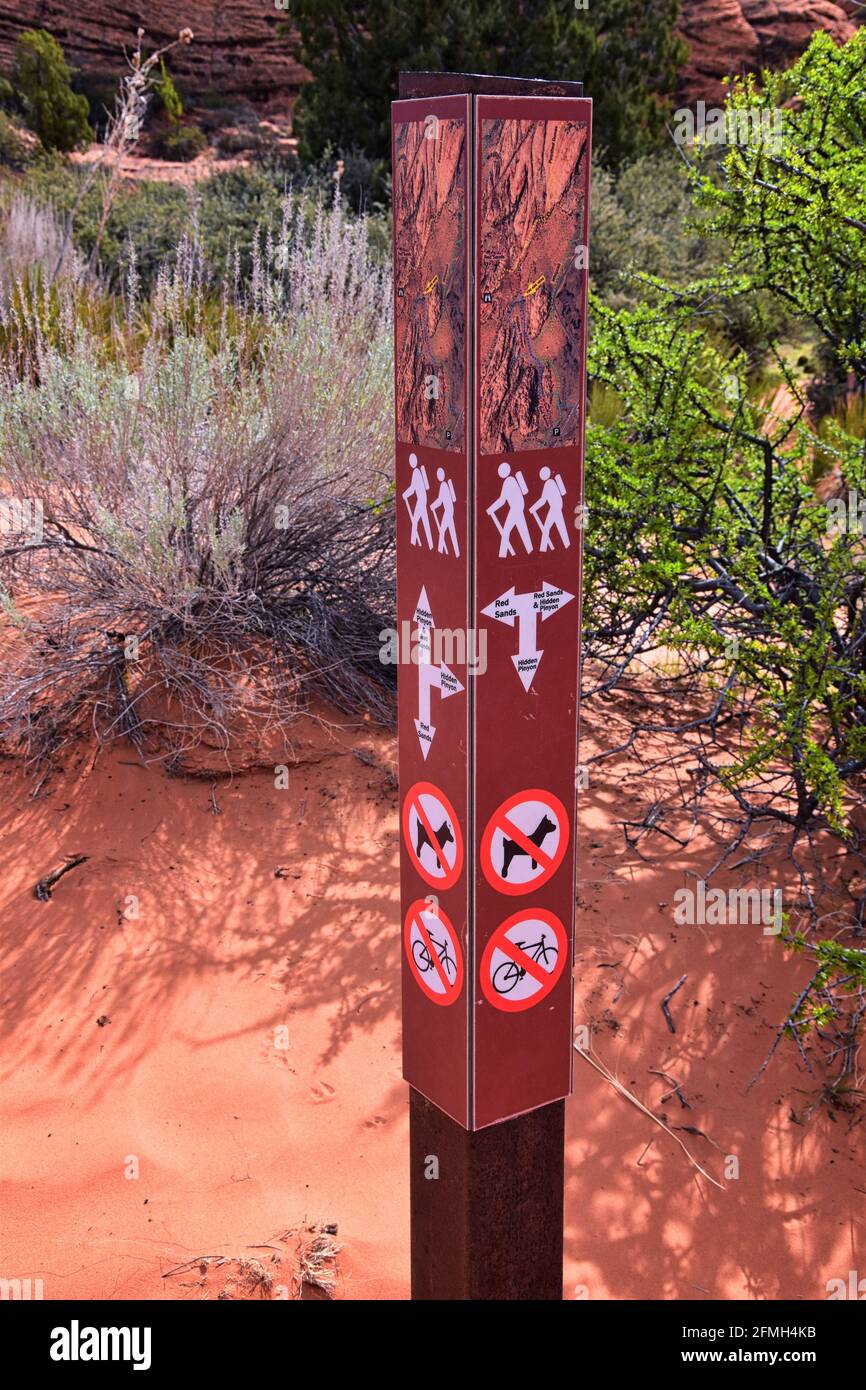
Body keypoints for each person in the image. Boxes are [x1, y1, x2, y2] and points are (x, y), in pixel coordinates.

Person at [487, 462, 532, 558]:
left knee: (506, 531)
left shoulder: (508, 481)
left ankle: (502, 555)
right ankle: (530, 551)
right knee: (523, 530)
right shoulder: (512, 480)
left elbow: (502, 500)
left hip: (516, 508)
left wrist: (491, 509)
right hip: (519, 507)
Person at [530, 466, 570, 551]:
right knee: (561, 528)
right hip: (557, 507)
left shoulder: (549, 483)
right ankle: (567, 546)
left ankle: (542, 550)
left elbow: (543, 500)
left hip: (555, 507)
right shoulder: (551, 482)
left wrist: (533, 508)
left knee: (546, 528)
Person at [402, 452, 433, 548]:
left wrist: (405, 494)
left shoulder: (416, 472)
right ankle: (429, 544)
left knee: (415, 521)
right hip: (423, 500)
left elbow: (413, 487)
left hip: (421, 501)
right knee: (424, 521)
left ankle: (413, 543)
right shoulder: (419, 471)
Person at [431, 467, 460, 557]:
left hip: (448, 511)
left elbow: (440, 500)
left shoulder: (443, 485)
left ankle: (440, 551)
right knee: (451, 531)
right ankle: (456, 552)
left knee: (442, 530)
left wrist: (433, 505)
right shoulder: (446, 484)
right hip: (450, 510)